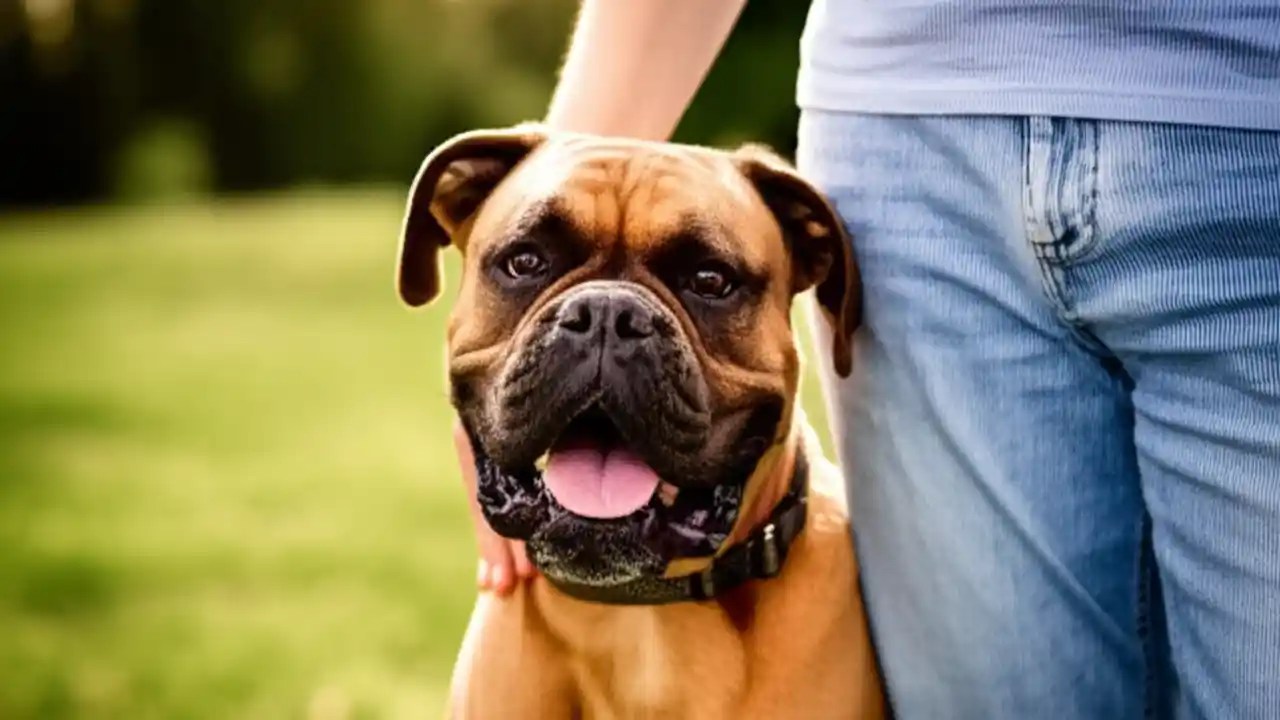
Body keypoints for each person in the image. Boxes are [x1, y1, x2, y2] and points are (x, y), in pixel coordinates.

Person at [451, 2, 1280, 717]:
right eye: (529, 264)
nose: (605, 325)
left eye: (707, 279)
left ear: (824, 291)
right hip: (906, 133)